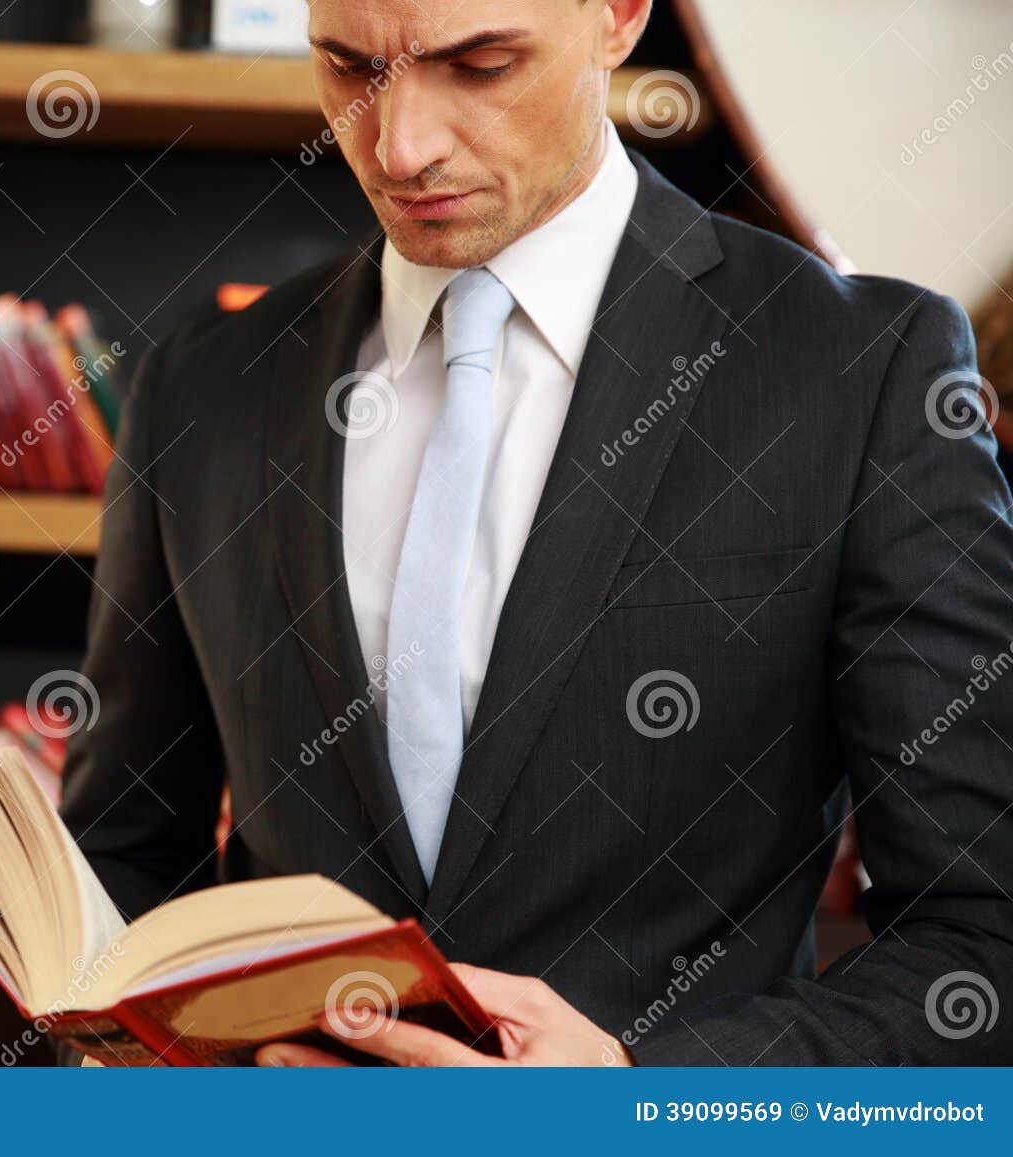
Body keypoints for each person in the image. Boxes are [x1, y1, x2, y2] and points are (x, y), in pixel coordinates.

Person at [59, 0, 1013, 1065]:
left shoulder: (860, 371)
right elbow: (124, 854)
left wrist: (633, 1098)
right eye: (348, 65)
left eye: (478, 63)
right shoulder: (200, 387)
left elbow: (981, 936)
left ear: (615, 17)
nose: (400, 146)